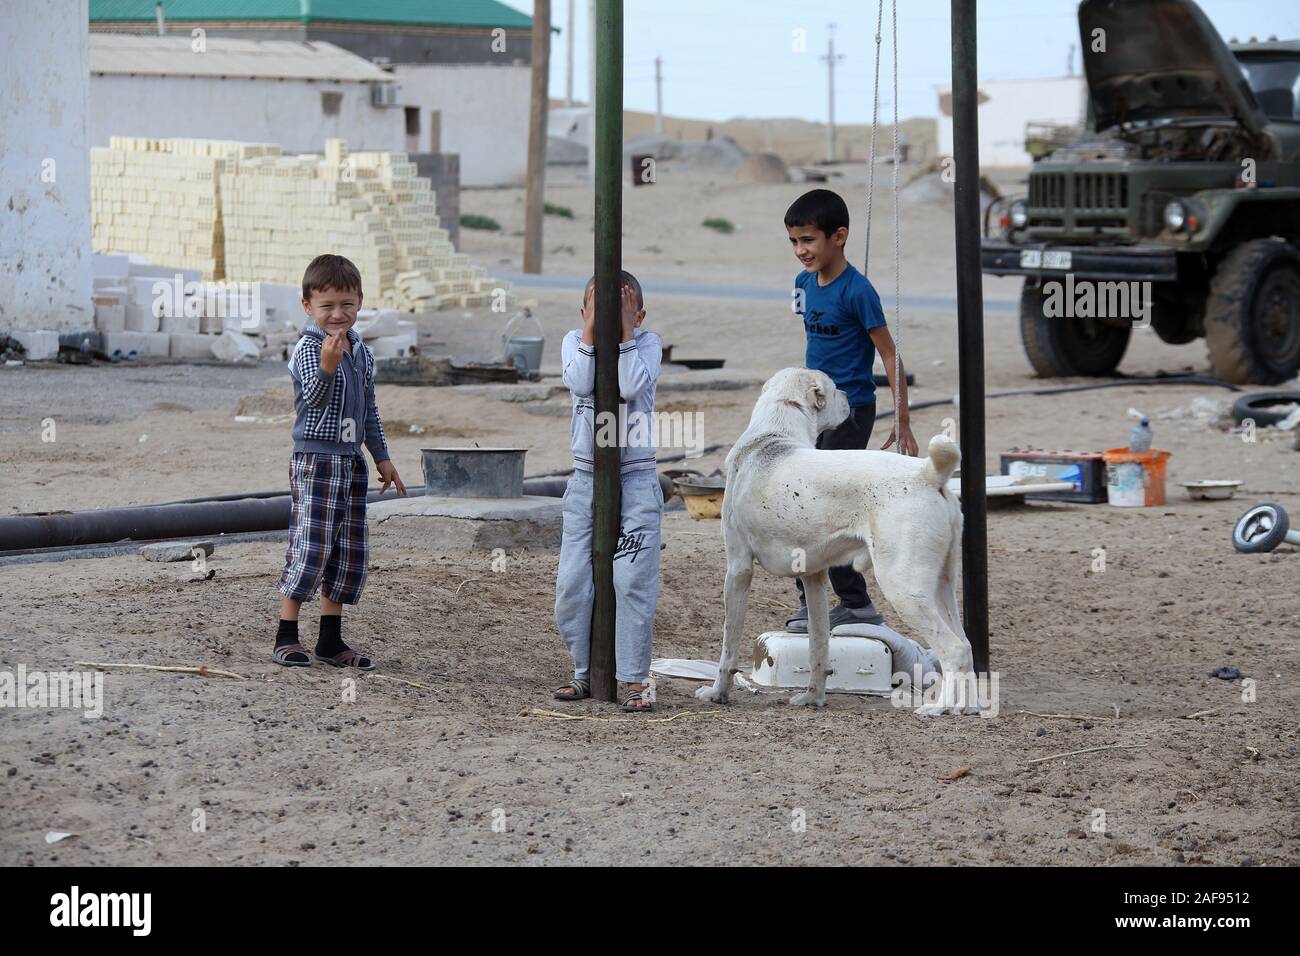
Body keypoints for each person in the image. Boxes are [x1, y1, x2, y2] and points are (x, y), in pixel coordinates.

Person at [782, 188, 918, 633]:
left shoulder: (859, 292)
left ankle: (856, 604)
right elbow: (813, 339)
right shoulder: (802, 285)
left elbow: (890, 355)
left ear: (838, 236)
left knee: (830, 510)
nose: (801, 251)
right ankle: (812, 602)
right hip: (811, 410)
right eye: (794, 242)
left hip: (851, 411)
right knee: (800, 507)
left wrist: (903, 420)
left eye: (809, 240)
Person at [272, 254, 406, 670]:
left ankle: (330, 639)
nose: (337, 313)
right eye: (327, 305)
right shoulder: (308, 349)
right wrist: (328, 368)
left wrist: (381, 456)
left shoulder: (362, 352)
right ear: (308, 305)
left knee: (347, 551)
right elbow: (312, 398)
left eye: (346, 304)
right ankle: (287, 634)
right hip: (316, 461)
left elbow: (369, 410)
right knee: (311, 545)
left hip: (350, 464)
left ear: (360, 302)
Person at [553, 272, 664, 712]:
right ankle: (584, 671)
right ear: (583, 314)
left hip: (636, 481)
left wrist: (623, 335)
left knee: (631, 578)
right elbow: (581, 382)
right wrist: (593, 332)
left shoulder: (647, 345)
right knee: (574, 583)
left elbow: (630, 385)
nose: (609, 320)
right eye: (596, 312)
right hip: (585, 482)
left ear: (639, 316)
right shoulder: (572, 342)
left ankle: (634, 679)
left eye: (622, 313)